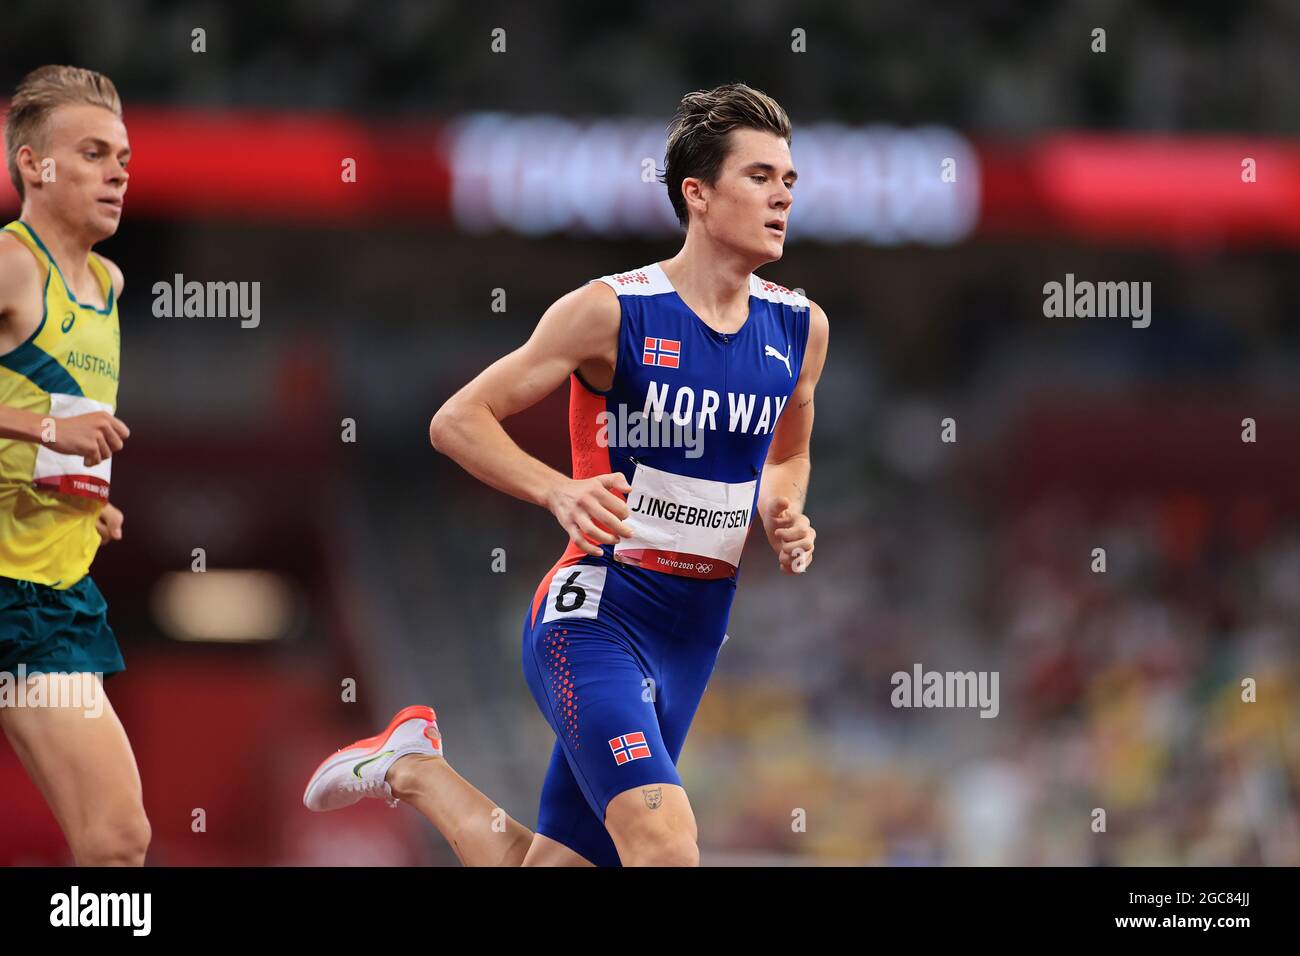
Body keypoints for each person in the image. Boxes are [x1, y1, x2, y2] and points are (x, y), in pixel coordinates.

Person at [305, 82, 828, 867]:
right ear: (698, 194)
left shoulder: (799, 327)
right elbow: (457, 421)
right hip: (597, 618)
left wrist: (783, 507)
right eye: (759, 177)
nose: (782, 195)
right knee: (665, 849)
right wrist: (558, 488)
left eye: (789, 180)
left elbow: (787, 450)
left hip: (695, 637)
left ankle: (413, 767)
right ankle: (412, 765)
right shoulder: (611, 312)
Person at [0, 65, 147, 865]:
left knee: (118, 840)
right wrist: (36, 429)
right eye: (93, 153)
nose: (118, 171)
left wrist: (84, 496)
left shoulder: (108, 285)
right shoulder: (12, 264)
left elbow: (47, 427)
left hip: (42, 599)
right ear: (35, 165)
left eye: (122, 156)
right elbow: (36, 417)